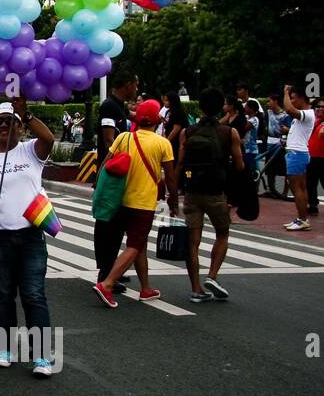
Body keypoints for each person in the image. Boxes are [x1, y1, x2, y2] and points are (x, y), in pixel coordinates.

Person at [0, 99, 56, 375]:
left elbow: (49, 138)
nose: (4, 126)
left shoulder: (31, 151)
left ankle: (41, 356)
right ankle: (4, 348)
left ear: (19, 127)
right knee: (2, 294)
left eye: (10, 121)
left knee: (33, 294)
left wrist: (25, 113)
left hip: (30, 239)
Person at [92, 99, 178, 307]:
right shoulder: (162, 143)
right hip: (143, 204)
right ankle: (108, 283)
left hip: (120, 201)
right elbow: (171, 178)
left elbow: (105, 164)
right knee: (135, 245)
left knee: (139, 245)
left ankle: (146, 288)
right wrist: (173, 200)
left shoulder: (124, 137)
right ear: (157, 119)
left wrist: (99, 189)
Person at [177, 89, 245, 304]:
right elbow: (240, 165)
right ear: (220, 108)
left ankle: (196, 289)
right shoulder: (229, 132)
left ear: (200, 107)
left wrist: (173, 192)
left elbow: (180, 163)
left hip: (192, 192)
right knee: (222, 234)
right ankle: (212, 275)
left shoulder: (187, 132)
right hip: (216, 191)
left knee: (193, 242)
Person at [93, 70, 138, 294]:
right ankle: (105, 271)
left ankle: (111, 269)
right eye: (135, 85)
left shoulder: (119, 106)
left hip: (121, 171)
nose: (136, 90)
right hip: (112, 173)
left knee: (117, 223)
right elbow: (109, 138)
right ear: (127, 84)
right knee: (108, 224)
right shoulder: (109, 106)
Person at [281, 85, 315, 230]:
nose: (291, 101)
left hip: (297, 154)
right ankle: (302, 218)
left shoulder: (307, 113)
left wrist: (285, 92)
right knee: (300, 188)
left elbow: (289, 109)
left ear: (302, 98)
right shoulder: (303, 115)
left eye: (294, 98)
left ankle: (302, 220)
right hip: (297, 153)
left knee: (297, 188)